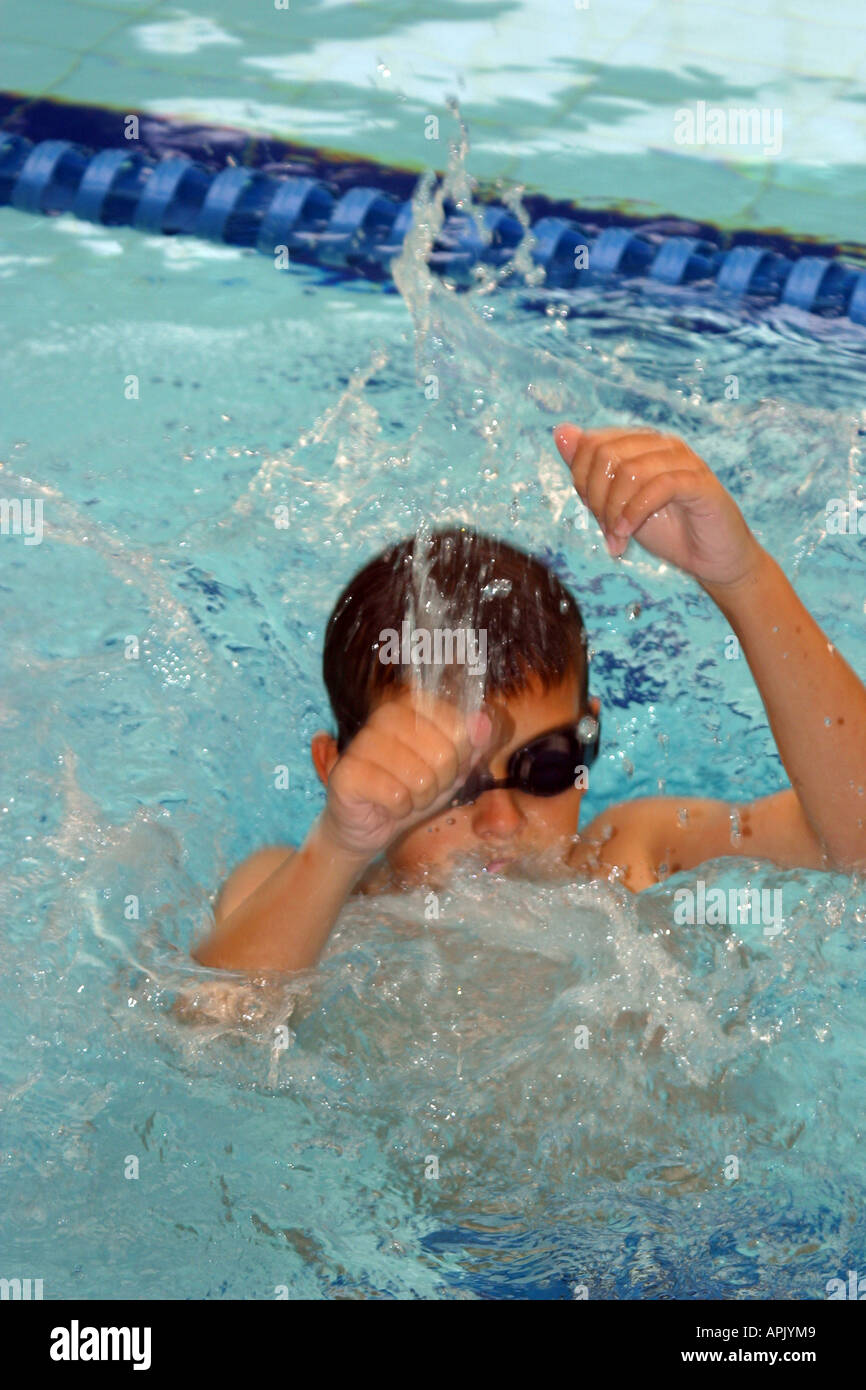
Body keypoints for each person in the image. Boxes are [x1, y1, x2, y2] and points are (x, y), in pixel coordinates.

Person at [194, 425, 866, 973]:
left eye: (545, 764)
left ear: (587, 737)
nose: (499, 821)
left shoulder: (627, 852)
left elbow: (856, 844)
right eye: (442, 782)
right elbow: (218, 1019)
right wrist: (338, 848)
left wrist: (742, 577)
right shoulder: (307, 897)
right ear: (338, 770)